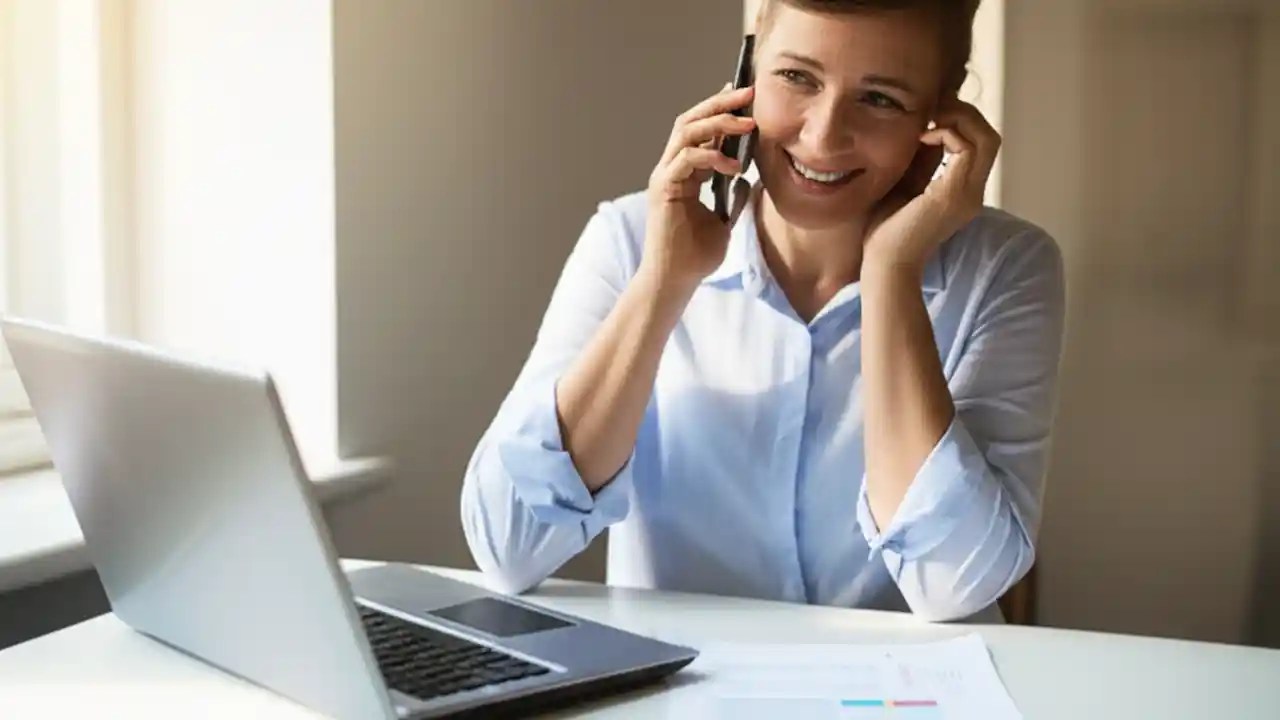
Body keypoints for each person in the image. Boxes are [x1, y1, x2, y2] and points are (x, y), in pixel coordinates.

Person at [460, 0, 1065, 623]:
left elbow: (955, 586)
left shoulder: (1006, 268)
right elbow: (509, 548)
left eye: (880, 98)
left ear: (942, 115)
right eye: (797, 77)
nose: (824, 135)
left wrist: (891, 273)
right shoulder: (630, 240)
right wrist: (664, 282)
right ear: (747, 73)